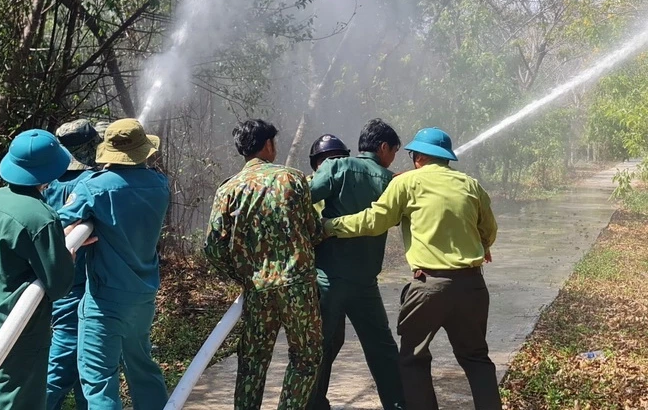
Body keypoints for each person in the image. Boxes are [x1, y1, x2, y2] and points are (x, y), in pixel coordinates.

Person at [324, 127, 499, 410]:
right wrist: (482, 245)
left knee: (413, 359)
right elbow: (488, 230)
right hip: (472, 286)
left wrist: (332, 227)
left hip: (429, 287)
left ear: (418, 156)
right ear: (445, 158)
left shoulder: (408, 183)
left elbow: (374, 220)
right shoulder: (470, 184)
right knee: (476, 358)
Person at [205, 119, 323, 410]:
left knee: (252, 361)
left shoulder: (228, 190)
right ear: (268, 145)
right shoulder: (293, 179)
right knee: (306, 358)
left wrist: (243, 275)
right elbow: (314, 230)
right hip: (297, 288)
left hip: (258, 290)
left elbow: (213, 248)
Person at [56, 118, 170, 410]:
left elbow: (57, 224)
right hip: (143, 296)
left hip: (105, 301)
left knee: (98, 381)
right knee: (142, 368)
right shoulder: (159, 184)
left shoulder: (96, 188)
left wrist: (73, 235)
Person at [0, 129, 77, 410]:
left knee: (4, 396)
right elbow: (59, 284)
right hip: (20, 329)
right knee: (21, 403)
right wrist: (68, 253)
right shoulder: (40, 217)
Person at [307, 120, 404, 410]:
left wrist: (319, 227)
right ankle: (398, 405)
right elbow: (396, 217)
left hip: (328, 280)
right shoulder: (390, 181)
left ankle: (313, 405)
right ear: (383, 147)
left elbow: (301, 200)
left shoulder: (335, 167)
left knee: (318, 350)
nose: (393, 158)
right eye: (394, 151)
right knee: (382, 350)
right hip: (364, 282)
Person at [43, 119, 101, 410]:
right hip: (79, 283)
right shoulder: (90, 183)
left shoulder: (48, 181)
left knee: (83, 364)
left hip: (58, 280)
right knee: (66, 358)